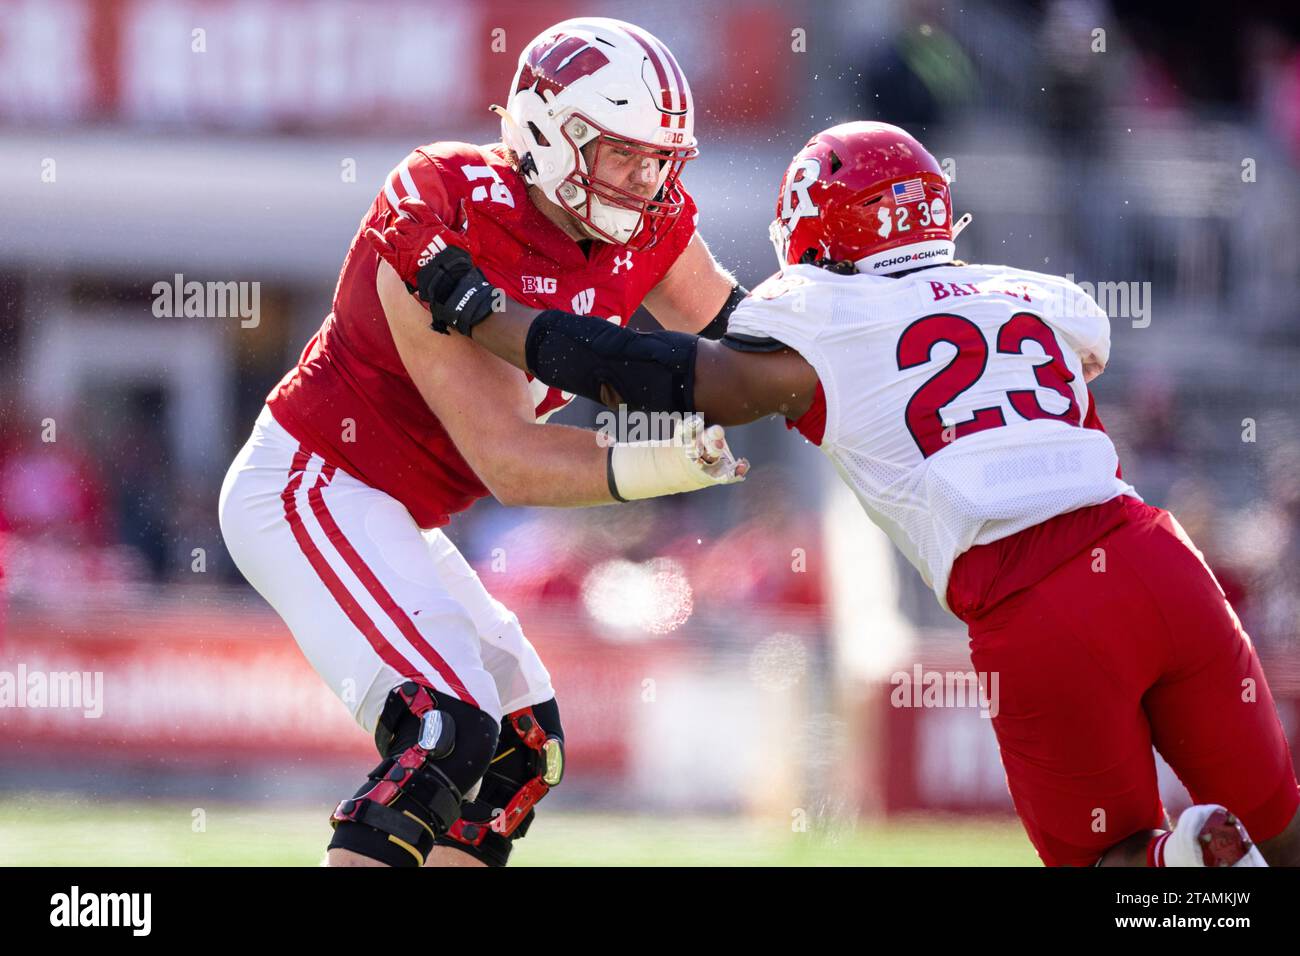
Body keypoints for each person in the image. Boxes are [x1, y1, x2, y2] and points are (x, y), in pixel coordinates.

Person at [372, 120, 1300, 867]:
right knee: (1281, 822)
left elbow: (656, 373)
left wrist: (486, 315)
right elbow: (1055, 356)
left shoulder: (819, 318)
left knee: (1113, 861)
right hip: (1157, 558)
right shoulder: (1039, 294)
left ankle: (1181, 867)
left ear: (817, 228)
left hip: (1038, 606)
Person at [218, 17, 748, 868]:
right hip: (314, 482)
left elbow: (742, 338)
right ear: (549, 133)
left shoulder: (648, 226)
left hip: (398, 512)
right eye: (622, 154)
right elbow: (510, 460)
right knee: (442, 726)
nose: (645, 183)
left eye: (659, 160)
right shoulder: (448, 206)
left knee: (520, 752)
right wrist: (671, 457)